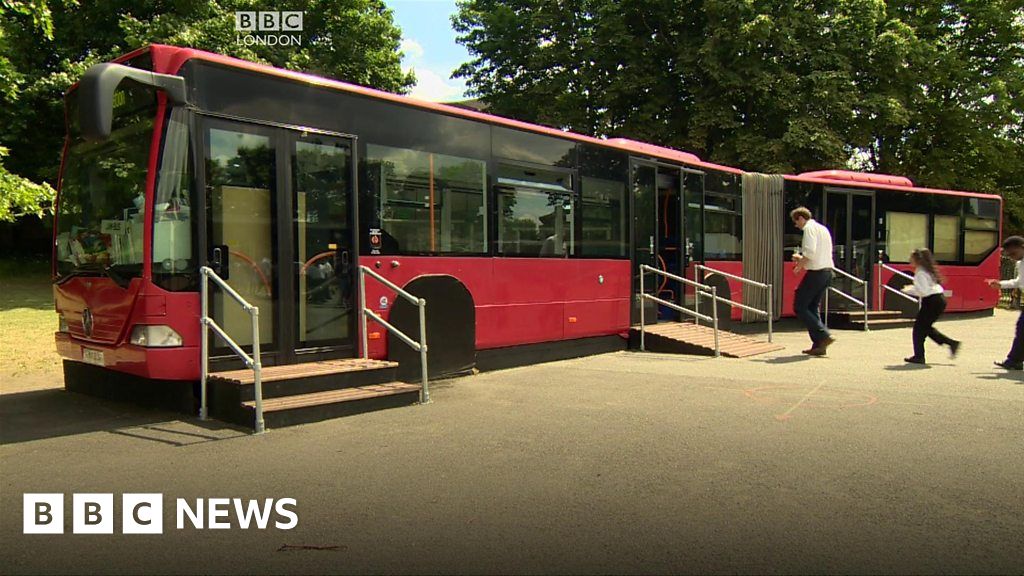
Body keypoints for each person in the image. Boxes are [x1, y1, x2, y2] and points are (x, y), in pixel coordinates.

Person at [901, 248, 961, 365]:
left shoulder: (920, 272)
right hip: (938, 299)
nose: (909, 260)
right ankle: (951, 343)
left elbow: (923, 291)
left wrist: (908, 290)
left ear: (917, 260)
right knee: (925, 327)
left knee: (919, 329)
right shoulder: (927, 270)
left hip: (932, 301)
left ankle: (919, 356)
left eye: (911, 258)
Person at [790, 207, 836, 356]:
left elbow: (809, 252)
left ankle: (824, 335)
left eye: (796, 222)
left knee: (800, 306)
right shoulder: (822, 229)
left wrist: (799, 266)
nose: (796, 225)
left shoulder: (809, 229)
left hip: (816, 273)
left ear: (801, 218)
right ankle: (819, 345)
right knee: (812, 306)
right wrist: (802, 260)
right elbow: (818, 253)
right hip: (827, 272)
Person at [986, 235, 1024, 370]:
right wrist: (1000, 284)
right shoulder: (1020, 264)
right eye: (1009, 255)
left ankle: (1014, 360)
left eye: (1014, 253)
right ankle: (1015, 360)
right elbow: (1019, 282)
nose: (1012, 257)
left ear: (1022, 247)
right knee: (1021, 330)